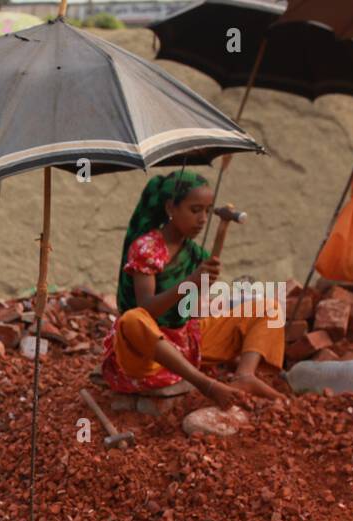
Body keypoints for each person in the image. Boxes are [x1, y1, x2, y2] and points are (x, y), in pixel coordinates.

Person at [102, 170, 284, 405]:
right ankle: (205, 384)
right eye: (195, 210)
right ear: (170, 208)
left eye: (208, 211)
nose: (203, 219)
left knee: (269, 309)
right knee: (131, 320)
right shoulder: (146, 247)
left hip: (184, 343)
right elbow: (147, 309)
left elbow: (187, 310)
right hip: (146, 351)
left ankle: (245, 376)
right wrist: (190, 282)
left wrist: (203, 284)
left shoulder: (195, 254)